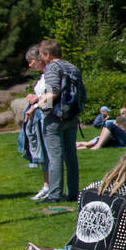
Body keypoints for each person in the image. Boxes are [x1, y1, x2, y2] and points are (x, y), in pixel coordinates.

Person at [37, 39, 84, 203]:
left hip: (54, 117)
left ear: (47, 54)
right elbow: (82, 93)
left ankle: (55, 194)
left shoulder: (51, 68)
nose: (41, 58)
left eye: (41, 55)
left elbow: (53, 92)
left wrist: (38, 105)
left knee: (55, 157)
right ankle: (73, 193)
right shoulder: (72, 67)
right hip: (71, 116)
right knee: (71, 156)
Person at [19, 45, 50, 199]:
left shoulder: (50, 74)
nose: (29, 65)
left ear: (39, 59)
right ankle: (46, 185)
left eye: (31, 62)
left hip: (46, 117)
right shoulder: (43, 76)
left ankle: (51, 187)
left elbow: (50, 97)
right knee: (42, 152)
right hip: (39, 116)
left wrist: (35, 103)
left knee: (47, 152)